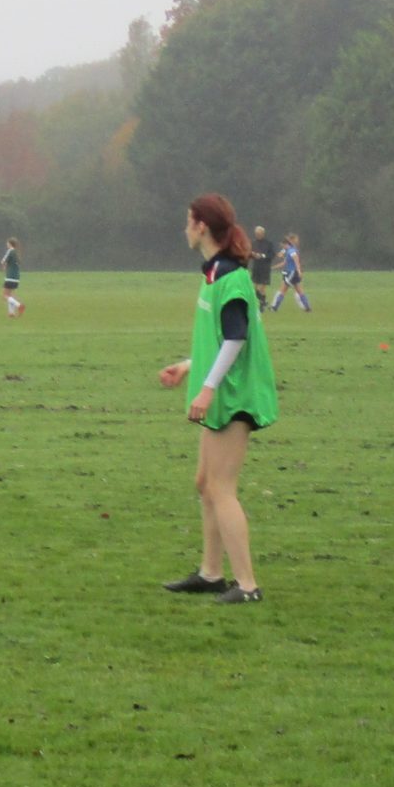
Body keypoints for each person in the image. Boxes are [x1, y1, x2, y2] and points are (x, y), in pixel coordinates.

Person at [156, 194, 277, 606]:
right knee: (205, 483)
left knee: (222, 488)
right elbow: (221, 338)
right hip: (219, 390)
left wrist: (207, 387)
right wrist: (190, 366)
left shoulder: (230, 277)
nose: (184, 229)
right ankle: (210, 573)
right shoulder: (213, 274)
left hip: (233, 396)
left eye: (188, 221)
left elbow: (238, 338)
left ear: (201, 227)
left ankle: (247, 586)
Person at [269, 233, 312, 313]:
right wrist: (273, 268)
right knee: (299, 291)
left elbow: (296, 260)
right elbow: (284, 262)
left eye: (283, 245)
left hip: (291, 273)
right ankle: (308, 308)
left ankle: (274, 308)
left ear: (286, 244)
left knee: (283, 290)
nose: (282, 247)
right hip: (292, 273)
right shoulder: (290, 250)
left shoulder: (291, 250)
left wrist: (299, 271)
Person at [248, 226, 274, 309]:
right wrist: (253, 255)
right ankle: (262, 303)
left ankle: (262, 304)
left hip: (265, 268)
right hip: (256, 268)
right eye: (256, 234)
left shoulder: (269, 243)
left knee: (261, 289)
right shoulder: (253, 243)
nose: (257, 235)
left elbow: (272, 255)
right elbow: (249, 253)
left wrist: (262, 256)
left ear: (263, 234)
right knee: (254, 288)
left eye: (259, 234)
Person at [2, 238, 25, 318]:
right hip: (16, 277)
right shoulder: (16, 253)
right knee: (10, 295)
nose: (6, 245)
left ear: (10, 244)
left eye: (7, 243)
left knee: (5, 295)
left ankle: (19, 305)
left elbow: (3, 261)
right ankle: (11, 313)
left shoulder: (10, 251)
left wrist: (4, 266)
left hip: (10, 276)